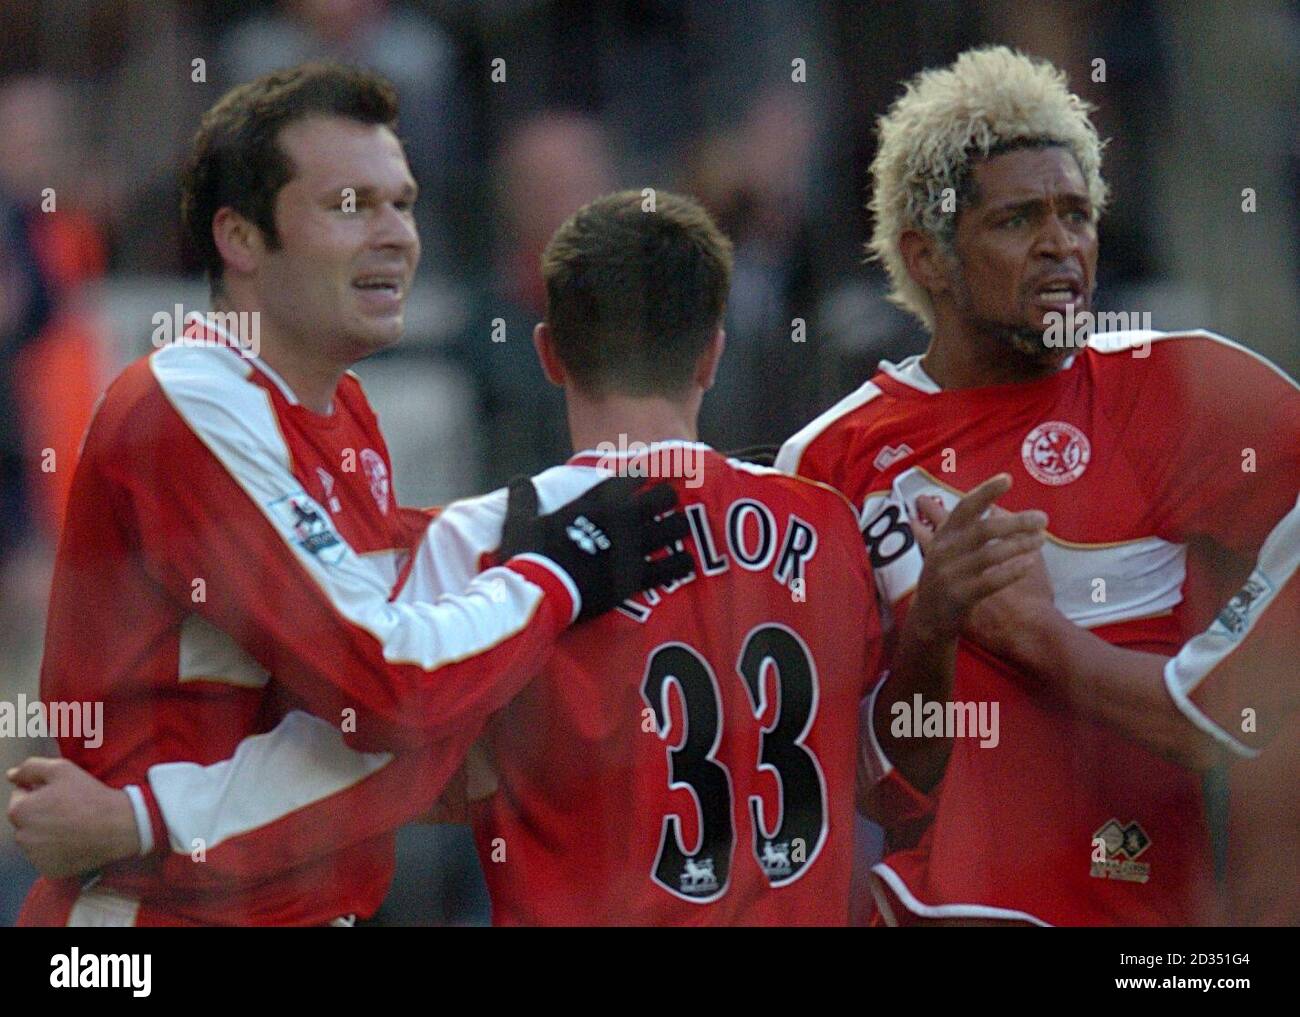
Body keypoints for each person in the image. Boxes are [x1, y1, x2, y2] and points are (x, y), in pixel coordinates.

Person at [9, 190, 1047, 925]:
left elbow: (374, 751)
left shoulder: (487, 539)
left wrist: (134, 814)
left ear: (549, 350)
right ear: (713, 351)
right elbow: (894, 785)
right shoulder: (826, 530)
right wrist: (936, 630)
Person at [5, 63, 690, 927]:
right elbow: (391, 684)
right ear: (241, 238)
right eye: (350, 206)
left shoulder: (341, 410)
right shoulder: (184, 400)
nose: (397, 234)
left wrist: (565, 515)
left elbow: (398, 684)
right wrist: (556, 574)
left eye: (402, 202)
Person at [776, 46, 1300, 926]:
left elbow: (1244, 705)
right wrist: (934, 625)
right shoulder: (831, 463)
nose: (1063, 244)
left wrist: (1048, 639)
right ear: (929, 258)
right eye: (1019, 220)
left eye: (1076, 214)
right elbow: (882, 790)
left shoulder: (1178, 389)